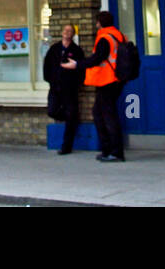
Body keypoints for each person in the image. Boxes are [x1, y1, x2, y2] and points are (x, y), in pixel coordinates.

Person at [62, 11, 126, 162]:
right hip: (116, 80)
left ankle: (115, 152)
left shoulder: (104, 38)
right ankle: (107, 149)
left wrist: (77, 64)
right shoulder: (118, 35)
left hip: (107, 80)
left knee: (107, 116)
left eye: (97, 22)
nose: (96, 24)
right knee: (99, 113)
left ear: (99, 23)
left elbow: (97, 59)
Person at [43, 24, 84, 154]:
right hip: (55, 87)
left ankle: (66, 147)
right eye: (65, 30)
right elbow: (46, 66)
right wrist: (50, 80)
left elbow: (81, 69)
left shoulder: (77, 51)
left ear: (73, 34)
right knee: (52, 111)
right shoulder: (54, 49)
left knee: (71, 117)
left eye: (70, 31)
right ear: (62, 32)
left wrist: (77, 84)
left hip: (70, 89)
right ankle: (69, 117)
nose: (67, 32)